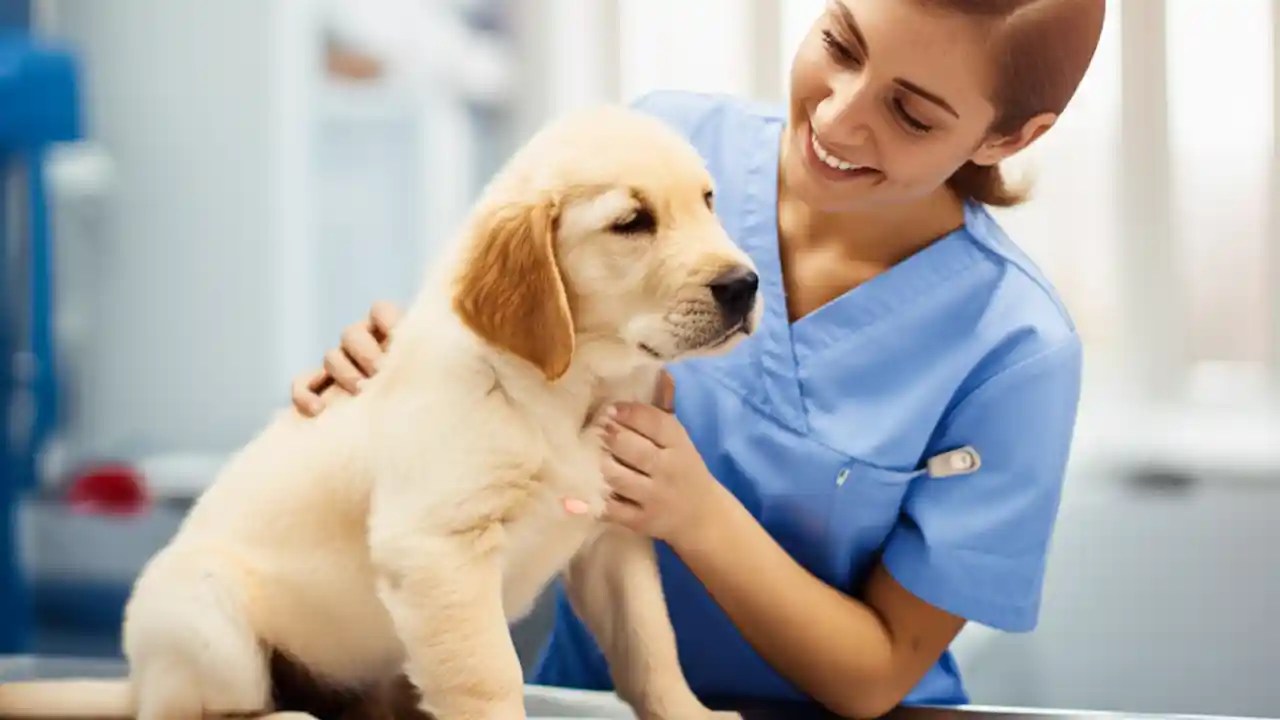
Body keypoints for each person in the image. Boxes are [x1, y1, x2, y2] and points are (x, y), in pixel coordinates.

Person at [291, 0, 1105, 716]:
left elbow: (877, 675)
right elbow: (502, 343)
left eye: (912, 114)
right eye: (841, 43)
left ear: (1008, 136)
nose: (838, 117)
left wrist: (696, 514)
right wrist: (406, 372)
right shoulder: (663, 150)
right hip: (584, 705)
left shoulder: (1014, 350)